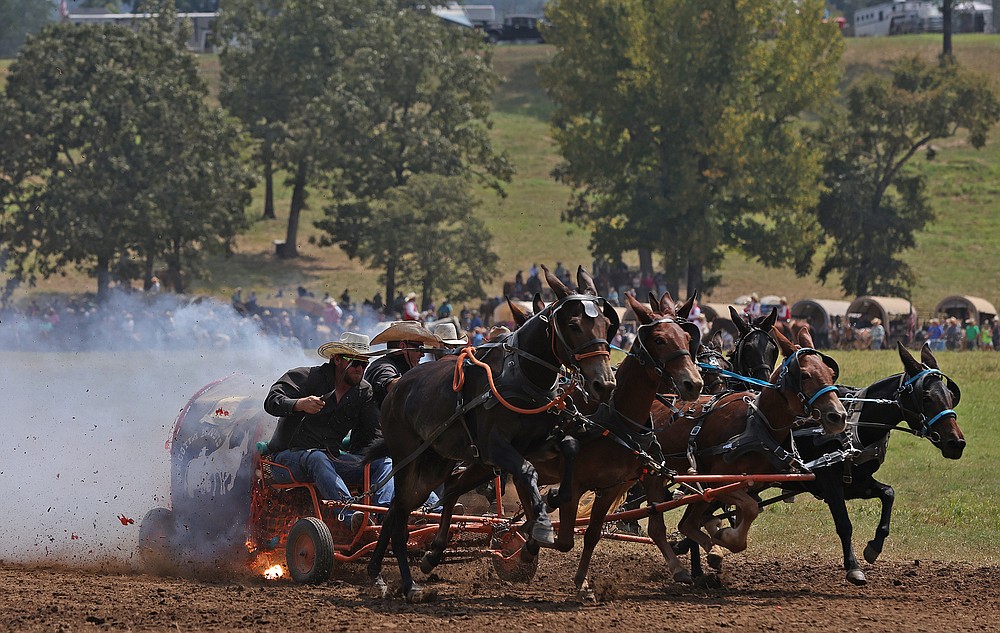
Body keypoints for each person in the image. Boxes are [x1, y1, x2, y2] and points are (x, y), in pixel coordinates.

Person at [262, 332, 391, 532]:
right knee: (317, 458)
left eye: (364, 364)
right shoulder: (306, 377)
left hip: (331, 458)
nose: (360, 369)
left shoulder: (364, 392)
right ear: (337, 359)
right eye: (355, 362)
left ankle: (384, 515)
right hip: (284, 460)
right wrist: (298, 404)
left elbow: (372, 433)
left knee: (384, 462)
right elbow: (272, 400)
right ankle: (349, 515)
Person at [365, 321, 442, 408]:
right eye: (419, 348)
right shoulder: (381, 366)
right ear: (403, 346)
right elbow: (393, 385)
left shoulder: (410, 368)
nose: (422, 354)